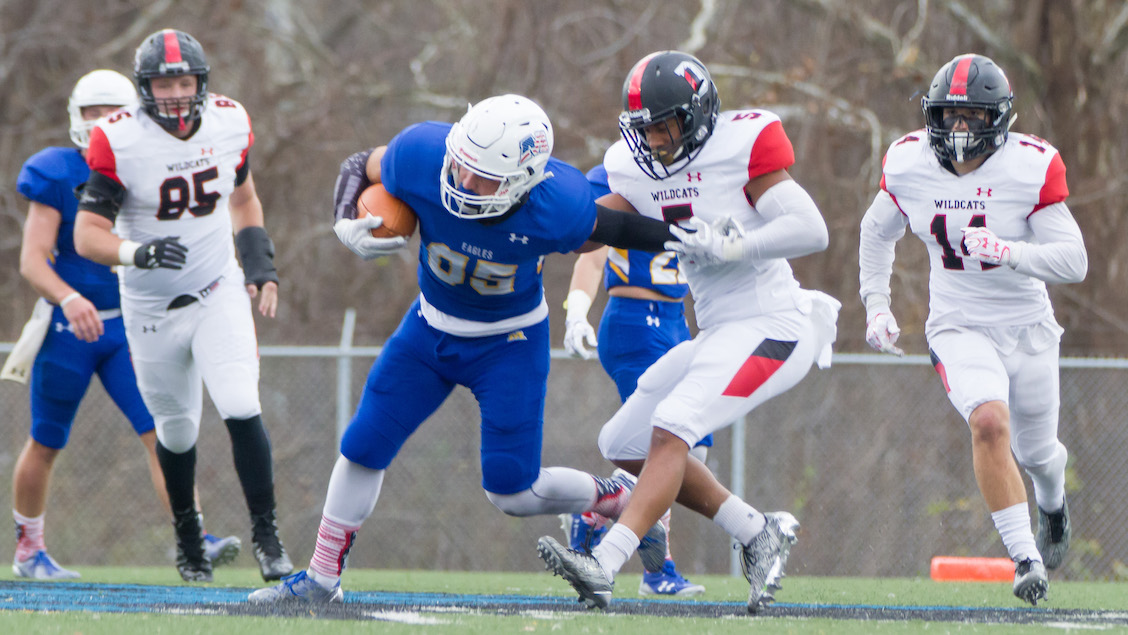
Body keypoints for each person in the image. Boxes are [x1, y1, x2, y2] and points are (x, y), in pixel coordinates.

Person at [248, 93, 683, 604]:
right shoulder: (422, 154)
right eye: (461, 165)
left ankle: (611, 497)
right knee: (363, 444)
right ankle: (321, 581)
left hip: (510, 343)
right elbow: (357, 165)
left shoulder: (558, 205)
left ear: (525, 179)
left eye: (484, 178)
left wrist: (690, 239)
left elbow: (619, 228)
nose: (463, 182)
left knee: (512, 491)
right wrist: (346, 218)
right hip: (428, 329)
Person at [535, 50, 840, 613]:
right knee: (621, 442)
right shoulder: (632, 168)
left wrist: (734, 244)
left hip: (775, 321)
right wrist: (525, 215)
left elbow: (812, 229)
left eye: (666, 124)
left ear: (699, 114)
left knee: (673, 426)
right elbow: (588, 229)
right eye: (644, 129)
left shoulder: (741, 144)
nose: (655, 140)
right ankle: (755, 531)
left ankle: (603, 566)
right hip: (719, 330)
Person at [858, 54, 1086, 606]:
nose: (960, 130)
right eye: (950, 116)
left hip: (1027, 327)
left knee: (1038, 455)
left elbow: (1074, 262)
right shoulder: (909, 162)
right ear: (933, 115)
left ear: (999, 119)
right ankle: (1025, 557)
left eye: (974, 118)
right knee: (987, 422)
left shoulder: (1029, 165)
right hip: (958, 323)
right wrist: (875, 304)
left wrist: (1009, 252)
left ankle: (1051, 505)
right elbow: (875, 231)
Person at [72, 30, 292, 583]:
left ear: (201, 83)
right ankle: (189, 539)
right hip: (150, 307)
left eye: (183, 81)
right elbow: (88, 232)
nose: (175, 92)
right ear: (145, 88)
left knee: (241, 404)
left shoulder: (228, 121)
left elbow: (243, 197)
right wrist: (135, 252)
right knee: (175, 432)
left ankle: (267, 535)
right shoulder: (118, 139)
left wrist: (259, 262)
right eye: (164, 82)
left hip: (216, 288)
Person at [5, 69, 240, 580]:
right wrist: (68, 299)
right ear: (75, 117)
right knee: (46, 439)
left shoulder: (147, 164)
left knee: (163, 434)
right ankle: (29, 550)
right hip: (70, 329)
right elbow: (32, 260)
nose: (97, 124)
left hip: (130, 327)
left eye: (107, 114)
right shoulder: (56, 172)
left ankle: (192, 538)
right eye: (90, 114)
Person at [558, 163, 709, 597]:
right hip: (634, 320)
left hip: (676, 322)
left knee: (690, 447)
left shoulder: (701, 171)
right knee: (666, 444)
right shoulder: (620, 172)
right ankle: (656, 569)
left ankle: (599, 507)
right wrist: (576, 311)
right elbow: (592, 249)